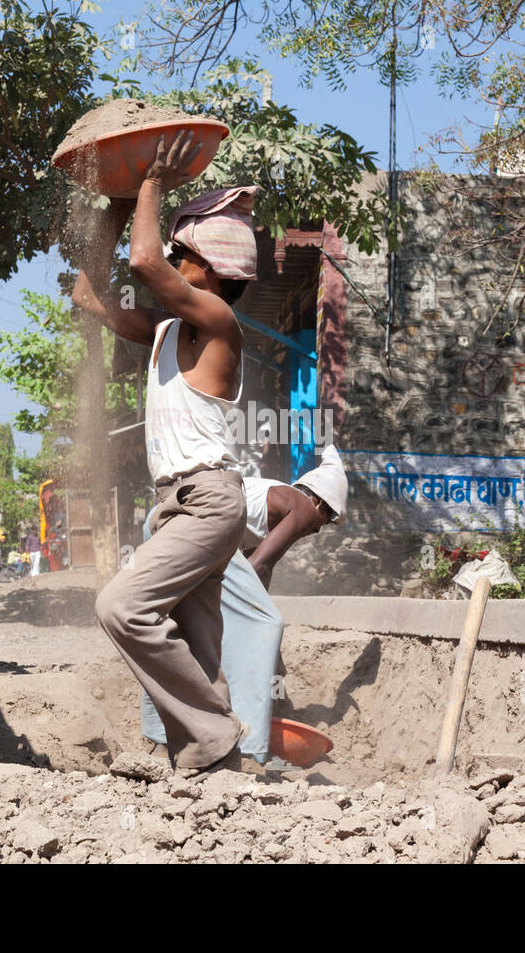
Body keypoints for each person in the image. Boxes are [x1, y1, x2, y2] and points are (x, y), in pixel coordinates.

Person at [73, 128, 261, 776]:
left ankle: (212, 736)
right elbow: (86, 299)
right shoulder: (165, 331)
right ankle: (214, 772)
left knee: (121, 606)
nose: (172, 261)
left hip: (209, 500)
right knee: (201, 648)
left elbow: (144, 264)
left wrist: (152, 179)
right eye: (175, 250)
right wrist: (118, 208)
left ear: (212, 273)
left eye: (185, 253)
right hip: (175, 509)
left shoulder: (219, 325)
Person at [139, 445, 348, 769]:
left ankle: (160, 735)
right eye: (328, 519)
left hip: (162, 522)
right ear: (319, 501)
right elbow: (258, 567)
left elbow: (254, 575)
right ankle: (248, 744)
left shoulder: (273, 498)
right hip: (194, 528)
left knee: (177, 628)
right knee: (268, 624)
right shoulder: (303, 507)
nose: (320, 529)